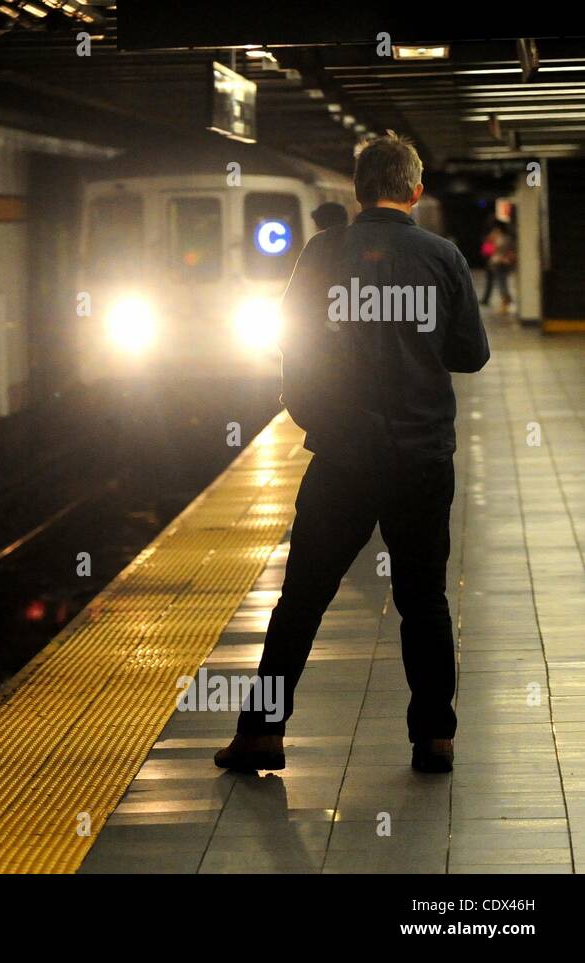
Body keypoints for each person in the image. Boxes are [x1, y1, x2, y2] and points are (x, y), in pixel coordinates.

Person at [215, 131, 490, 775]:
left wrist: (316, 416)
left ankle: (261, 734)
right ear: (415, 192)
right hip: (422, 458)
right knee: (424, 598)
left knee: (303, 597)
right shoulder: (442, 256)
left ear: (360, 189)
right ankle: (433, 739)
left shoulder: (321, 253)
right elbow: (470, 355)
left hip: (342, 459)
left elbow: (292, 345)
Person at [480, 221, 515, 311]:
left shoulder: (503, 239)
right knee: (500, 282)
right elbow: (487, 251)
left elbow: (491, 251)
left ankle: (506, 300)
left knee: (501, 283)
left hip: (500, 263)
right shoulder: (497, 238)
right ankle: (505, 299)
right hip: (496, 263)